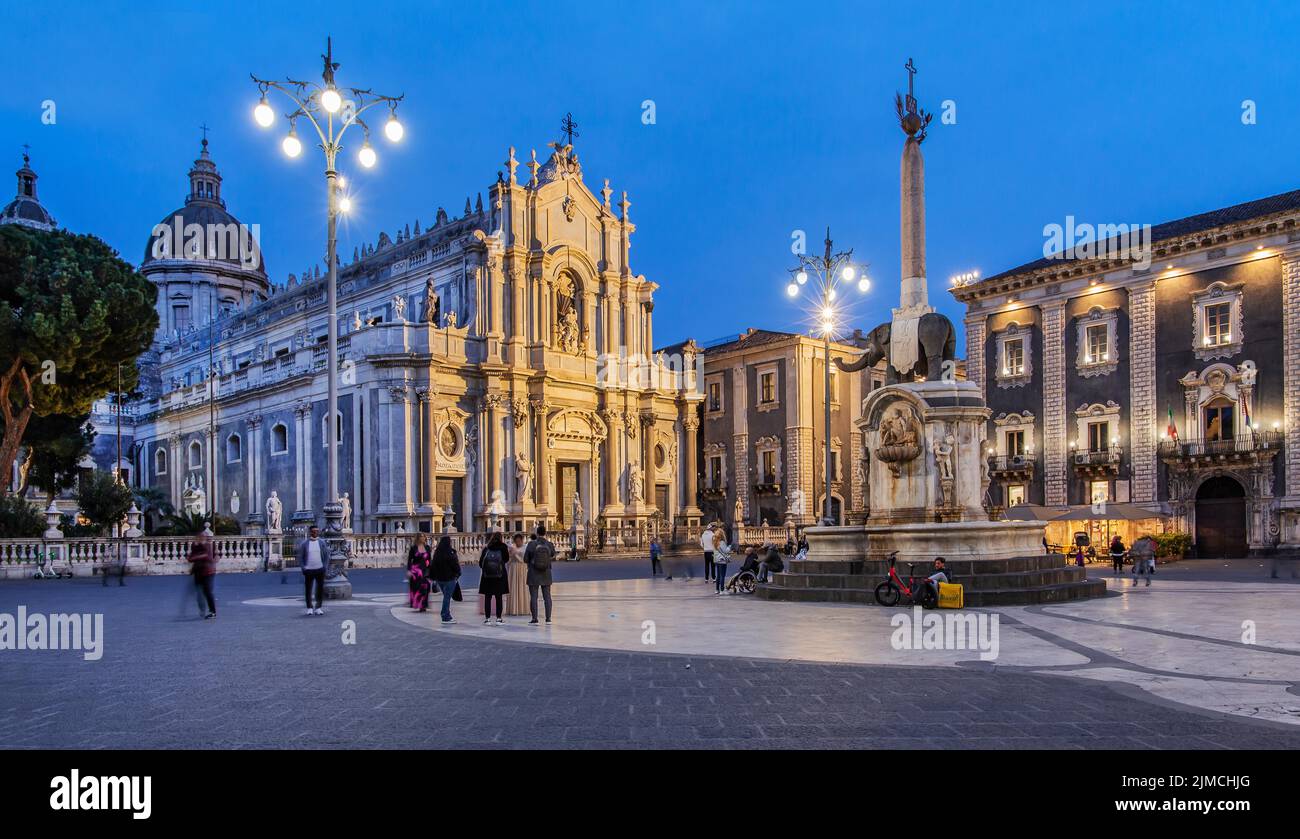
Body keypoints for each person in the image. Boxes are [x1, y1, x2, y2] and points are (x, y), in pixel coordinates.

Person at [296, 525, 332, 616]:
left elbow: (326, 555)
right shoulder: (304, 544)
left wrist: (325, 566)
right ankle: (309, 607)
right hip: (309, 569)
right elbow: (301, 557)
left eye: (317, 531)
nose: (315, 533)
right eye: (313, 531)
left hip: (320, 569)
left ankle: (318, 607)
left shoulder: (322, 543)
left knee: (319, 589)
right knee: (308, 589)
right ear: (310, 532)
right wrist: (303, 567)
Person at [524, 524, 556, 625]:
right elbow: (553, 555)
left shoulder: (531, 544)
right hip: (546, 572)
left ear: (537, 533)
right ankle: (548, 618)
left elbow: (525, 559)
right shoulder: (549, 544)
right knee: (547, 597)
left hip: (533, 572)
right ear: (545, 533)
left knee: (534, 597)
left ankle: (535, 619)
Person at [478, 532, 510, 625]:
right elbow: (506, 559)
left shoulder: (487, 548)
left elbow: (481, 563)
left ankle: (487, 618)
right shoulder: (503, 547)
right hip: (499, 575)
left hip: (487, 576)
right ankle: (499, 618)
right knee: (498, 597)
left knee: (488, 597)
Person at [186, 532, 218, 619]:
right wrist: (195, 556)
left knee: (207, 592)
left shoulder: (208, 545)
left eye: (202, 537)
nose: (200, 539)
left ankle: (212, 611)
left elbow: (206, 556)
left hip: (208, 572)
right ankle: (202, 609)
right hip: (198, 572)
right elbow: (190, 558)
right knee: (199, 593)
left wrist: (195, 557)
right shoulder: (195, 546)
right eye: (199, 537)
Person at [430, 535, 462, 624]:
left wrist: (434, 578)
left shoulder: (437, 553)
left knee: (446, 597)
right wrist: (458, 574)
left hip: (440, 579)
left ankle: (447, 615)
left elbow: (433, 566)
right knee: (447, 598)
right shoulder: (450, 553)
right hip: (449, 578)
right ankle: (445, 616)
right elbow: (455, 565)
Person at [407, 532, 433, 612]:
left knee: (425, 588)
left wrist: (431, 570)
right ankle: (418, 604)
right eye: (421, 536)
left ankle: (423, 605)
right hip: (416, 571)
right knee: (417, 588)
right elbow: (409, 560)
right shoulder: (414, 548)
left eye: (424, 536)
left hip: (425, 570)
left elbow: (429, 559)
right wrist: (409, 570)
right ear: (418, 538)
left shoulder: (427, 547)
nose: (423, 538)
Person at [506, 533, 529, 616]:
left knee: (522, 587)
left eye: (519, 541)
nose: (518, 543)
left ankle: (523, 608)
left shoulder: (526, 547)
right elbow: (507, 559)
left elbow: (525, 559)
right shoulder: (512, 547)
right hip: (513, 569)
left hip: (522, 569)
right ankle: (513, 609)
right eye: (516, 541)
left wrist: (515, 553)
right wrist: (511, 552)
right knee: (513, 588)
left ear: (522, 540)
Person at [713, 529, 732, 594]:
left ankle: (717, 590)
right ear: (722, 535)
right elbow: (726, 551)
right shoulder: (722, 542)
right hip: (722, 560)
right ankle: (722, 590)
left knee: (718, 576)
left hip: (717, 560)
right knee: (722, 576)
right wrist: (729, 547)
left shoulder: (715, 542)